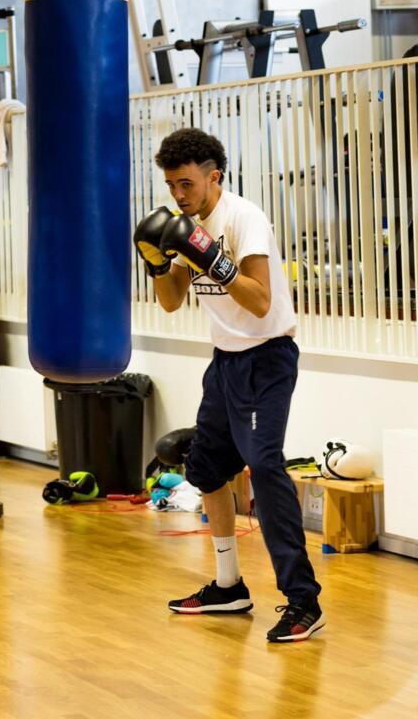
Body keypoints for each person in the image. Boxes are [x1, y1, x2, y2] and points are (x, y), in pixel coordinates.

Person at [134, 127, 324, 642]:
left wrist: (207, 256)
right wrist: (157, 262)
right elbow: (172, 301)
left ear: (213, 177)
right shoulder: (185, 226)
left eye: (187, 184)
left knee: (263, 464)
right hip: (225, 362)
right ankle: (228, 585)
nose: (177, 195)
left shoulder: (243, 218)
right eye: (171, 184)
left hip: (267, 360)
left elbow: (260, 300)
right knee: (206, 469)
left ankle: (303, 600)